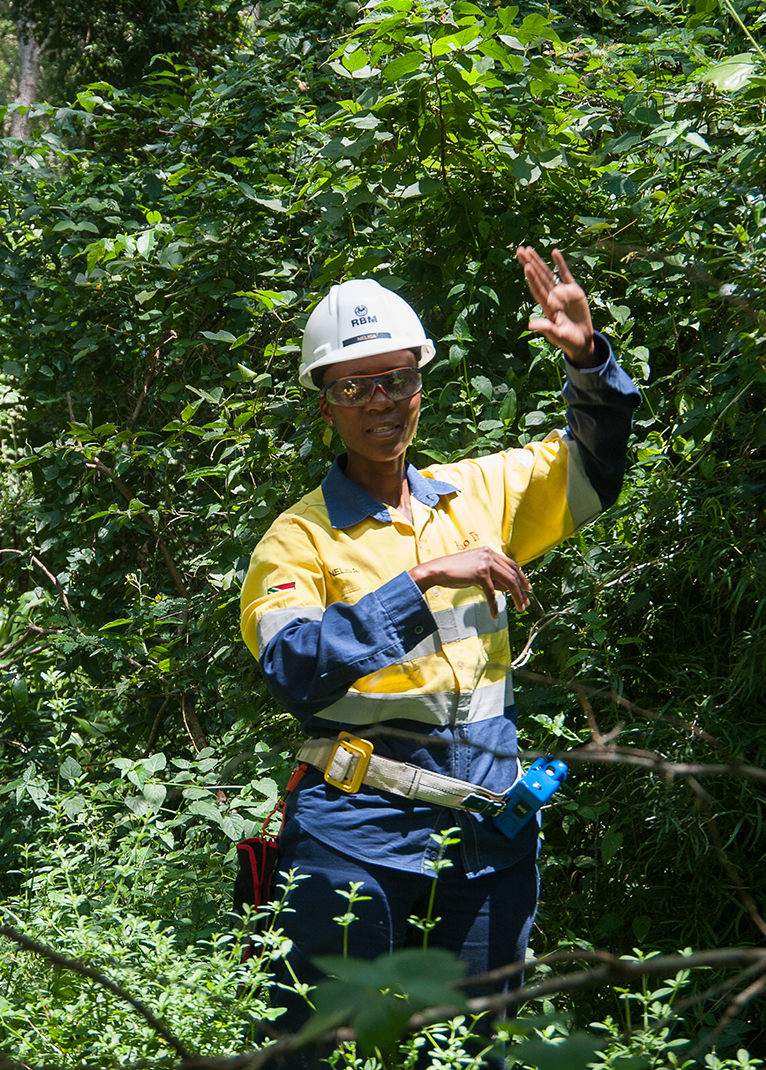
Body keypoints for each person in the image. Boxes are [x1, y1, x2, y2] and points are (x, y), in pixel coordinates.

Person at [238, 249, 639, 1066]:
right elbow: (294, 667)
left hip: (487, 834)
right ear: (325, 404)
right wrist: (420, 580)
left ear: (420, 384)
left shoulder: (479, 493)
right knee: (318, 1050)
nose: (379, 403)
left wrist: (587, 362)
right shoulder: (297, 539)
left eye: (393, 380)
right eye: (353, 387)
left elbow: (596, 468)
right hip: (355, 834)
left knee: (480, 1052)